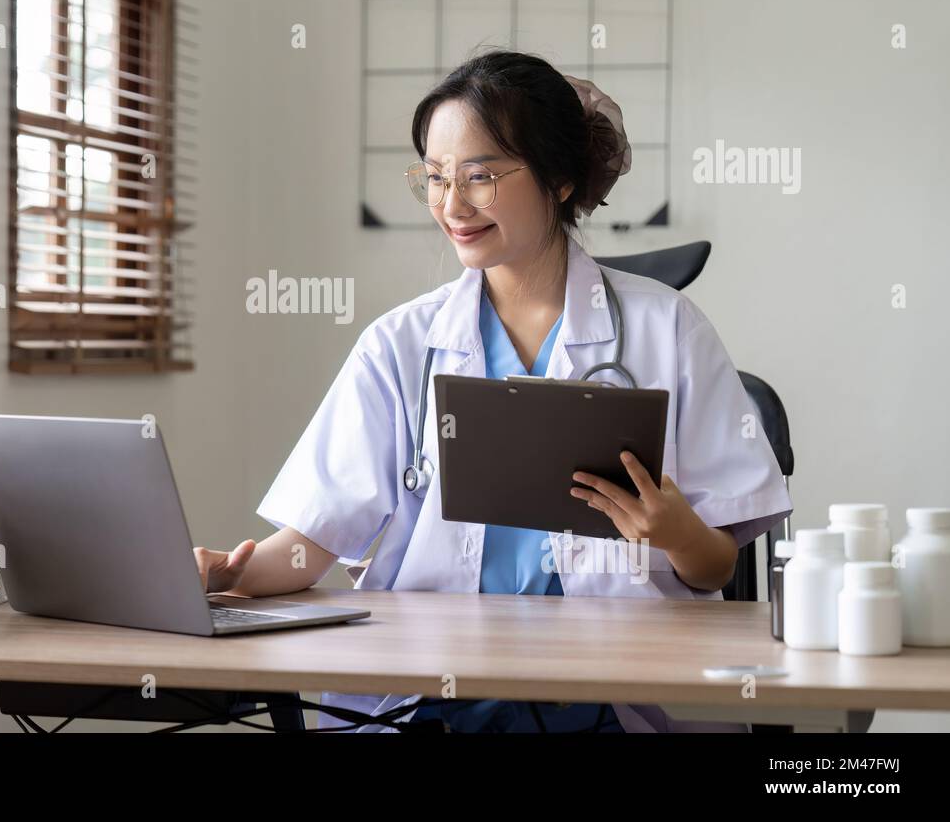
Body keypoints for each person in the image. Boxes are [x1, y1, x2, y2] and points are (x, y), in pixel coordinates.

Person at [193, 50, 793, 732]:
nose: (452, 205)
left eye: (479, 176)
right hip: (433, 693)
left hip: (608, 693)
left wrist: (676, 531)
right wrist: (222, 575)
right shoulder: (399, 346)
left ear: (560, 179)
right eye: (436, 177)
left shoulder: (670, 331)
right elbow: (310, 547)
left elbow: (715, 567)